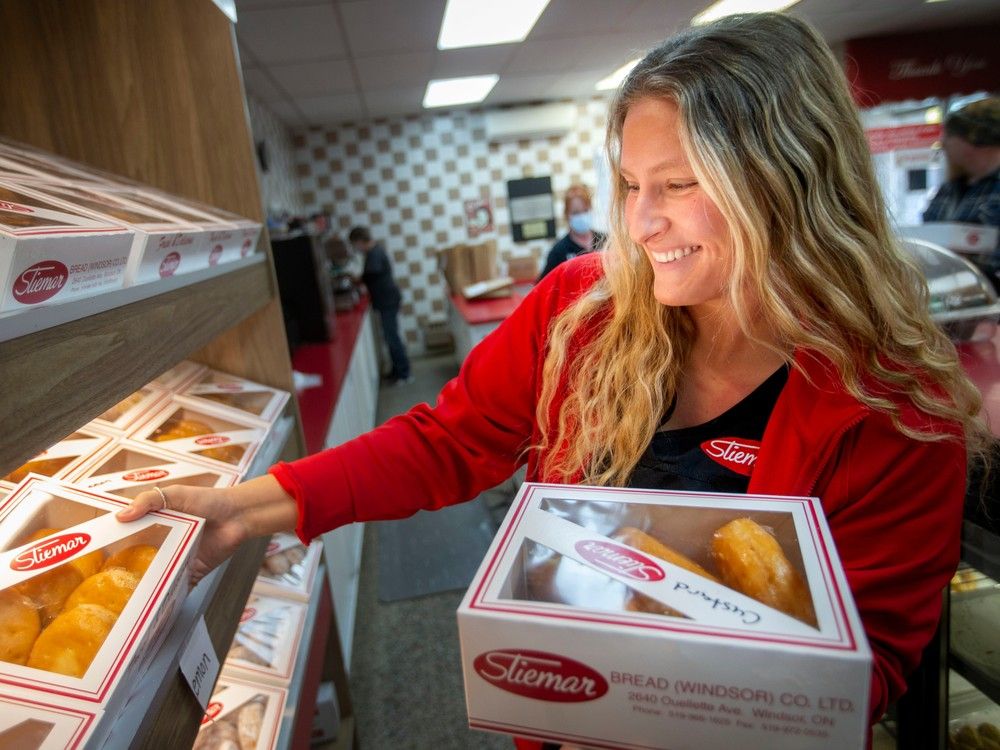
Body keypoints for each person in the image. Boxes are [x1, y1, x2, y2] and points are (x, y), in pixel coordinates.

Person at [119, 12, 992, 748]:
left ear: (788, 181)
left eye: (679, 185)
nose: (642, 223)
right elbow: (450, 441)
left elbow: (862, 669)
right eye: (629, 184)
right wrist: (250, 507)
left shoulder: (896, 410)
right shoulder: (583, 307)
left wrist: (642, 704)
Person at [923, 96, 1000, 288]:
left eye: (948, 136)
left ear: (974, 139)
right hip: (951, 294)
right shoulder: (948, 190)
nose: (943, 144)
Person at [348, 225, 411, 384]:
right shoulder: (374, 251)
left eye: (355, 244)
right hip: (387, 299)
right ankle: (397, 371)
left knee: (392, 337)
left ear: (360, 241)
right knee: (391, 336)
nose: (356, 248)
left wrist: (356, 279)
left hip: (387, 300)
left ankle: (404, 374)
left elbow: (371, 275)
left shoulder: (374, 253)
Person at [537, 183, 605, 280]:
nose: (582, 216)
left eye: (585, 210)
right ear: (566, 215)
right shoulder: (559, 251)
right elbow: (543, 287)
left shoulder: (605, 240)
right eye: (576, 212)